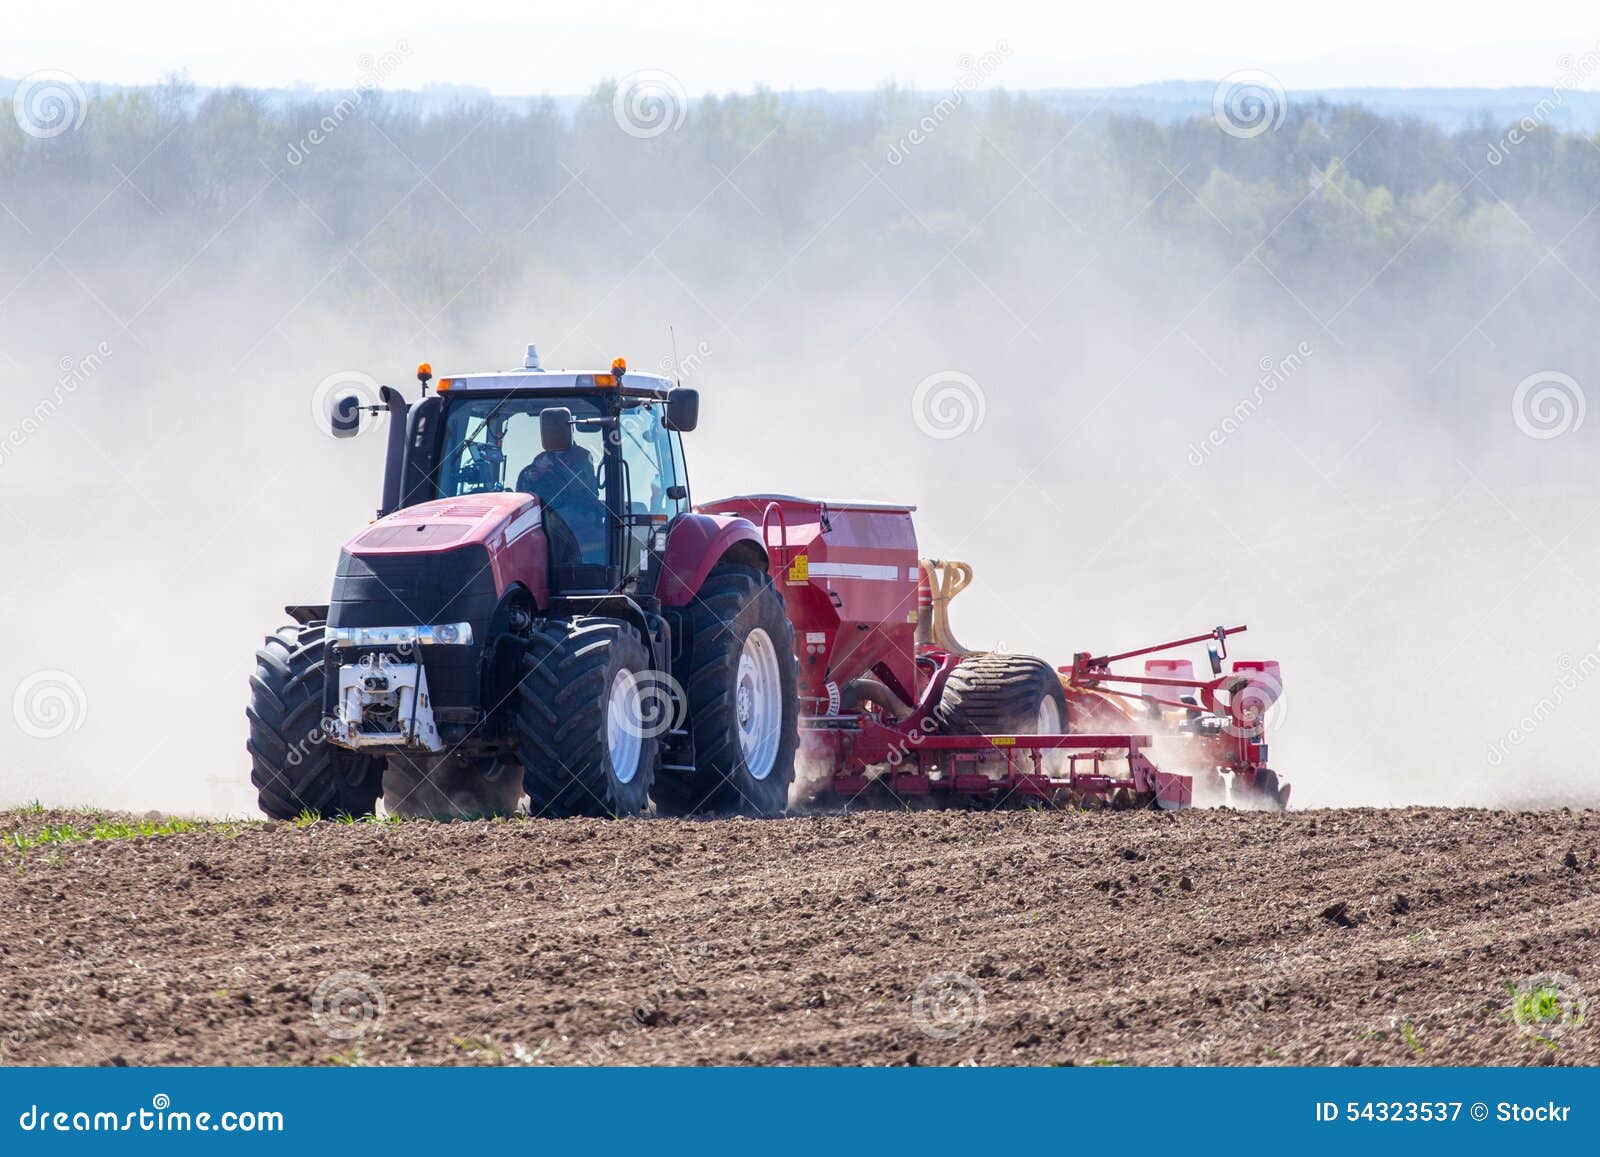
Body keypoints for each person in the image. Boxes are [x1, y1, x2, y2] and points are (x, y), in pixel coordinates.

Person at [516, 441, 607, 562]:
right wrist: (531, 477)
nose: (552, 430)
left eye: (555, 425)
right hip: (547, 513)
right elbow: (524, 489)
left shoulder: (582, 456)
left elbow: (579, 486)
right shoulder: (542, 458)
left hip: (580, 514)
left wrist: (553, 467)